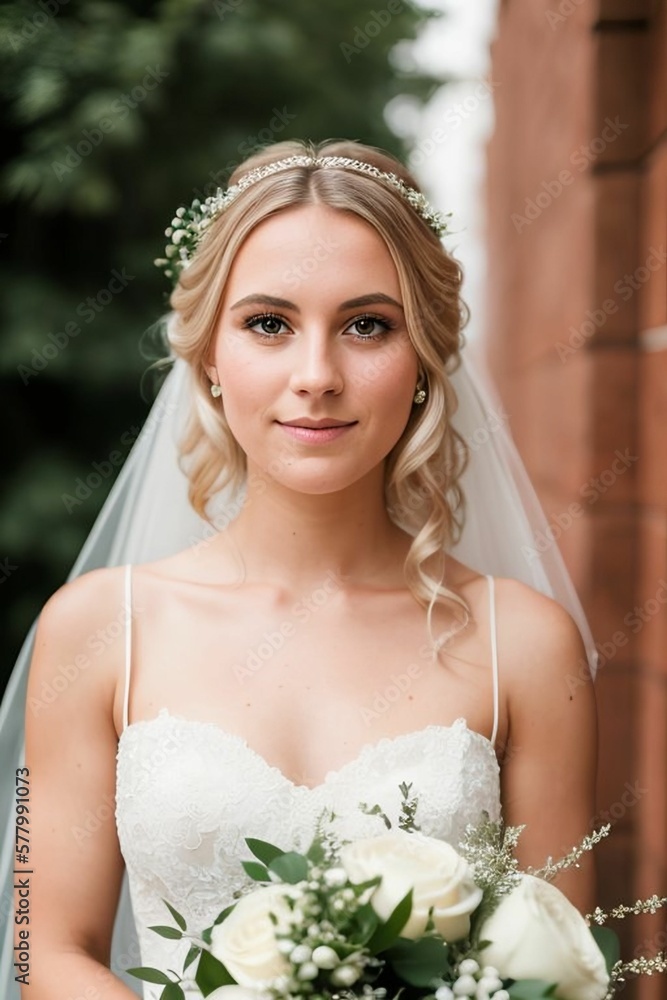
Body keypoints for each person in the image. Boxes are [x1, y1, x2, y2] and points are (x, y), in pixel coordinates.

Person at [5, 139, 599, 999]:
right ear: (209, 354)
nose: (316, 376)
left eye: (367, 325)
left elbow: (559, 970)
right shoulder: (98, 630)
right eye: (268, 324)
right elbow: (40, 952)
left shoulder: (526, 648)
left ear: (426, 358)